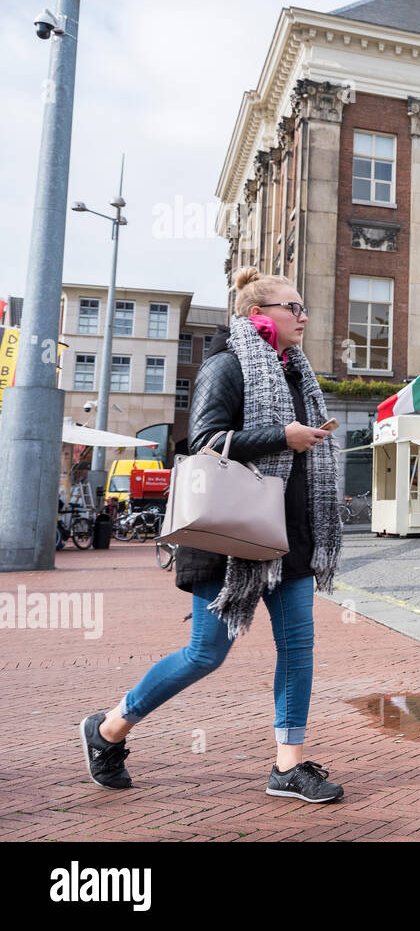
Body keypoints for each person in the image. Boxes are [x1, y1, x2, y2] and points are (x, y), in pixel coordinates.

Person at [78, 268, 344, 803]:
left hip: (287, 536)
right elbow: (202, 441)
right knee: (206, 653)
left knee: (298, 648)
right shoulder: (226, 365)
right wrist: (283, 436)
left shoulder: (298, 374)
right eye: (293, 307)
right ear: (258, 315)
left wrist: (304, 441)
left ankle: (287, 765)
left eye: (303, 307)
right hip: (228, 536)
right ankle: (108, 728)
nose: (304, 316)